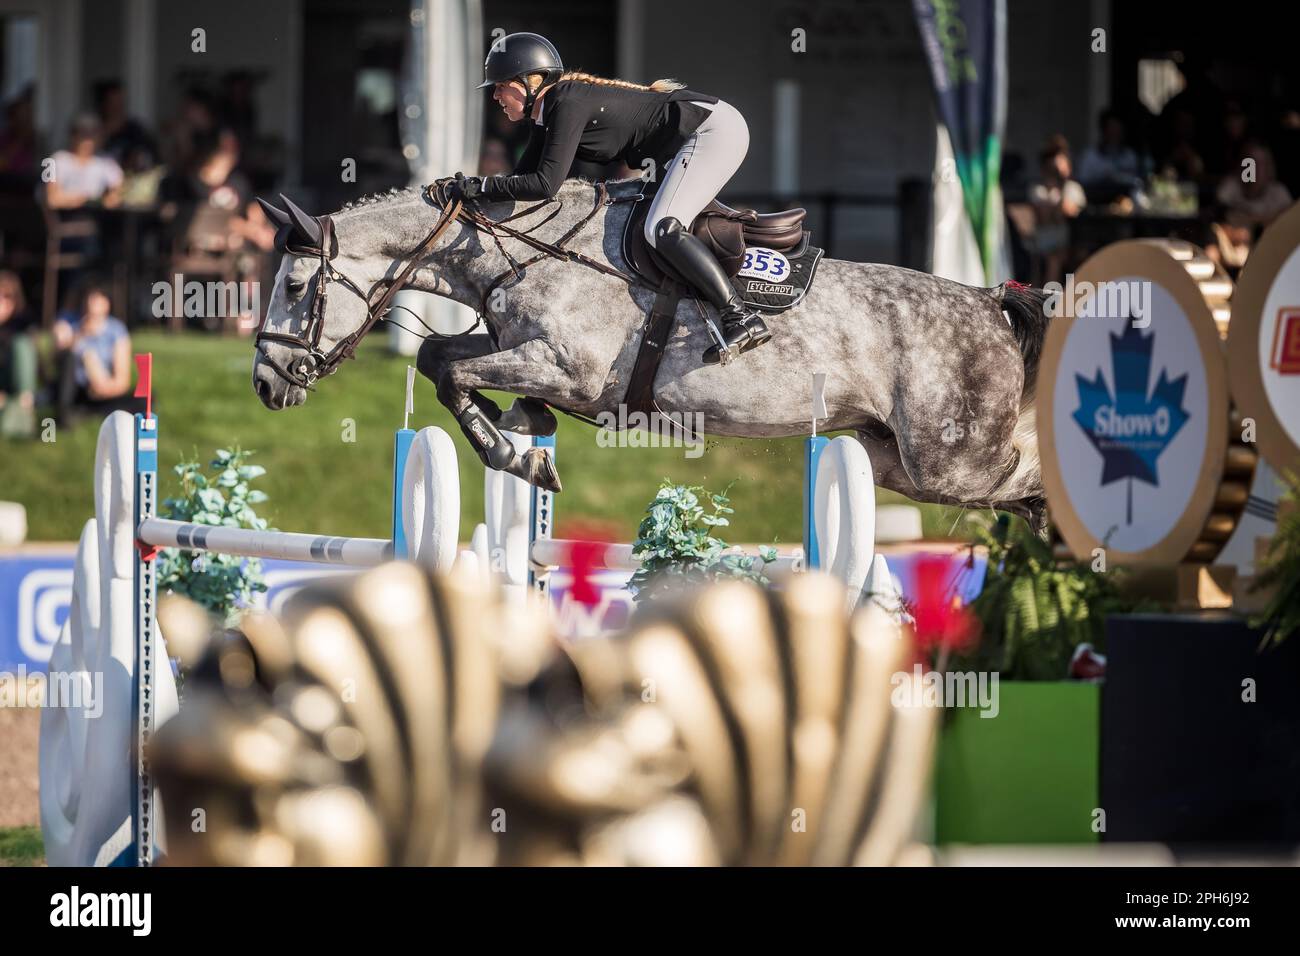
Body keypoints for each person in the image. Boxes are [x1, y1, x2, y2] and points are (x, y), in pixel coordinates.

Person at [450, 32, 770, 364]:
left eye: (502, 86)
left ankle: (741, 318)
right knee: (641, 229)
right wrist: (466, 195)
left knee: (661, 227)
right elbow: (519, 185)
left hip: (711, 130)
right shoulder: (547, 115)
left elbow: (545, 185)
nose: (496, 96)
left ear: (532, 81)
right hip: (683, 143)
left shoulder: (566, 101)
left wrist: (477, 186)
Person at [52, 281, 137, 423]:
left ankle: (89, 413)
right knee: (70, 357)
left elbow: (122, 380)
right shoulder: (68, 322)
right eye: (89, 298)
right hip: (75, 389)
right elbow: (56, 355)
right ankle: (66, 413)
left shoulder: (116, 330)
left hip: (103, 389)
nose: (91, 303)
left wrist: (103, 388)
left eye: (97, 299)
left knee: (143, 400)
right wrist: (81, 336)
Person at [1029, 138, 1087, 285]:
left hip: (1072, 242)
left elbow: (1070, 212)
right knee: (1053, 258)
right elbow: (1045, 217)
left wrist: (1063, 183)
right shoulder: (1038, 190)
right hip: (1045, 242)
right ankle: (1049, 302)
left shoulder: (1073, 188)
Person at [46, 114, 124, 209]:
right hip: (65, 217)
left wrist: (111, 198)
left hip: (98, 216)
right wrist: (83, 199)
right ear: (73, 136)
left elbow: (120, 190)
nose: (88, 140)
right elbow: (51, 199)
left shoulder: (107, 161)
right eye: (83, 134)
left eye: (93, 134)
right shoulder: (55, 160)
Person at [0, 271, 38, 438]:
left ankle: (22, 409)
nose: (2, 302)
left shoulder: (23, 327)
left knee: (21, 345)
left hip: (16, 389)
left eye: (7, 297)